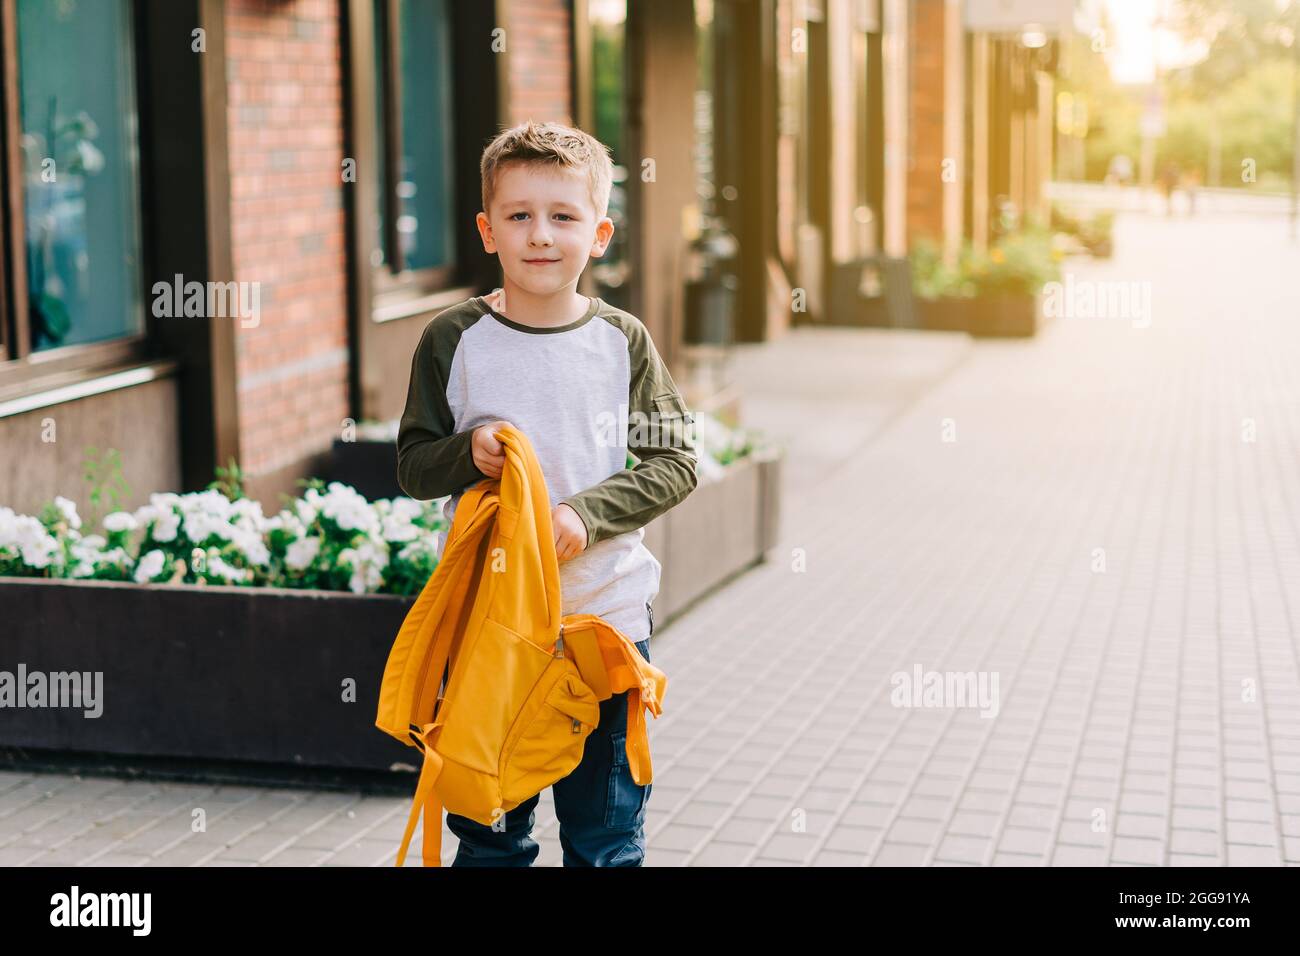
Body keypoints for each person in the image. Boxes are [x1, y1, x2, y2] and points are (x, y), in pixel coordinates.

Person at [395, 120, 699, 866]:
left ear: (598, 234)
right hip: (490, 630)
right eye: (519, 215)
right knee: (489, 829)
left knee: (605, 836)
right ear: (487, 229)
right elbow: (411, 465)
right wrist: (467, 453)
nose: (540, 235)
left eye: (563, 217)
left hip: (602, 623)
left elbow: (675, 459)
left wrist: (583, 515)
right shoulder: (452, 338)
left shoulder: (621, 341)